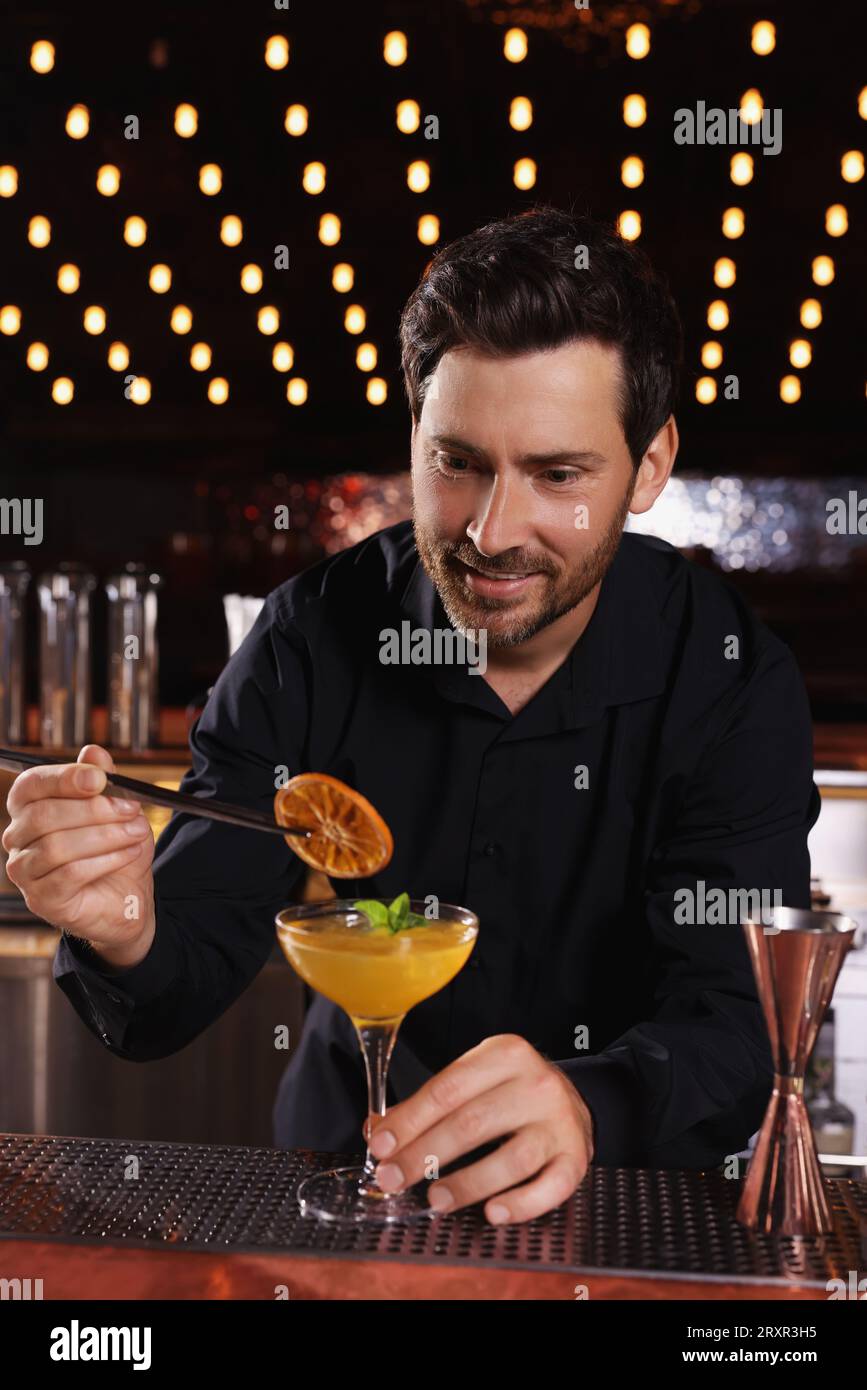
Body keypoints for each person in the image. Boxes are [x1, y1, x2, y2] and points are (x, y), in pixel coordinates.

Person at [3, 206, 820, 1227]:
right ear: (414, 435)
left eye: (557, 475)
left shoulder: (726, 676)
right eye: (458, 460)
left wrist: (592, 1099)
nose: (490, 531)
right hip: (345, 1188)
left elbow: (741, 1022)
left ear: (650, 465)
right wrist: (119, 920)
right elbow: (181, 971)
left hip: (624, 1195)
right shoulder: (312, 635)